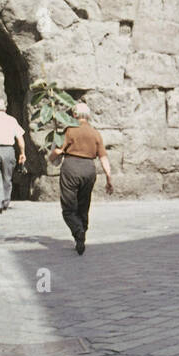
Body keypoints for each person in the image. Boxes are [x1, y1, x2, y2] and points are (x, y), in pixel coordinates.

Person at [48, 103, 114, 255]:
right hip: (89, 169)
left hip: (71, 167)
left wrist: (50, 158)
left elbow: (58, 150)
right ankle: (81, 235)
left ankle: (78, 231)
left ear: (75, 115)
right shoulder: (95, 133)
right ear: (88, 115)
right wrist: (109, 178)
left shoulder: (69, 130)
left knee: (69, 208)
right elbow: (103, 157)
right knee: (84, 205)